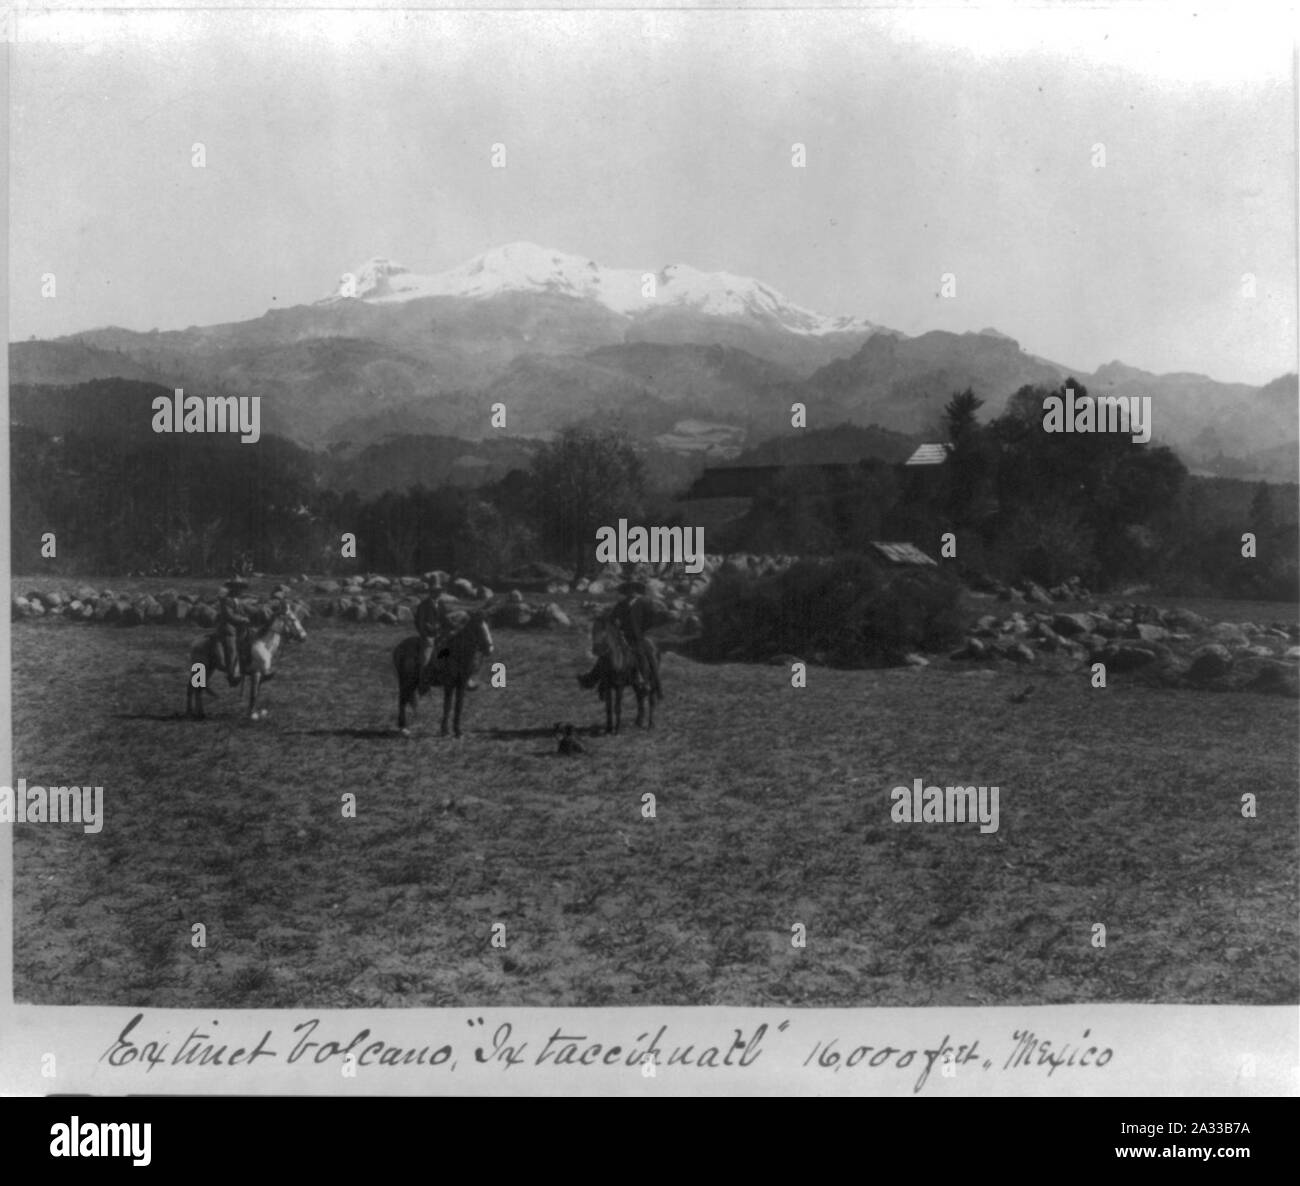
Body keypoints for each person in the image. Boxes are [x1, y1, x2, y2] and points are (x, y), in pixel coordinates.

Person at [578, 577, 650, 691]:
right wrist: (609, 621)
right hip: (621, 634)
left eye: (632, 589)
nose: (630, 592)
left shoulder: (643, 603)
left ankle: (644, 681)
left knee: (639, 653)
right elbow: (612, 617)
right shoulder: (621, 604)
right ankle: (591, 679)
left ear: (636, 590)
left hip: (636, 635)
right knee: (606, 653)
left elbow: (648, 619)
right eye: (628, 590)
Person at [415, 586, 479, 693]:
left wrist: (453, 626)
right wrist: (426, 633)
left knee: (457, 648)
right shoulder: (423, 605)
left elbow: (444, 618)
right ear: (431, 592)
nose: (437, 594)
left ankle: (465, 678)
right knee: (427, 653)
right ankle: (422, 679)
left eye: (439, 592)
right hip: (428, 636)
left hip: (440, 632)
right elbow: (419, 622)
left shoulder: (440, 604)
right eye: (435, 592)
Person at [214, 577, 252, 684]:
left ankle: (246, 665)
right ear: (233, 588)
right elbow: (229, 615)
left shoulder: (238, 600)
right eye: (238, 588)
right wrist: (243, 619)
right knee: (232, 649)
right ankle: (232, 674)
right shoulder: (226, 600)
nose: (240, 590)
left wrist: (259, 613)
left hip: (239, 627)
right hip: (228, 628)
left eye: (241, 588)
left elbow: (246, 610)